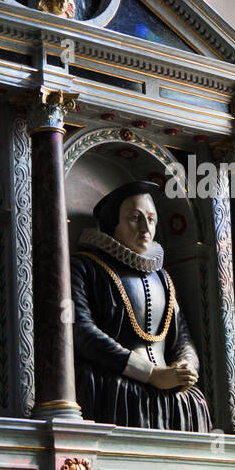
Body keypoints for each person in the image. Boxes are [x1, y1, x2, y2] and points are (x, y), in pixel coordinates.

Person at [71, 181, 211, 431]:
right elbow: (82, 333)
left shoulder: (163, 278)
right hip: (114, 390)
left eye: (151, 219)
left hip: (171, 397)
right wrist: (152, 375)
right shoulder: (84, 267)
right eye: (135, 218)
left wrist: (185, 366)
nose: (146, 228)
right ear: (113, 223)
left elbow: (182, 338)